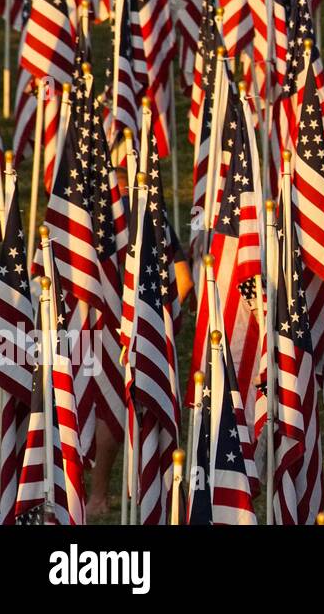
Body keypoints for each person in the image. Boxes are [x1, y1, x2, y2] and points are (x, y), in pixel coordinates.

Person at [84, 166, 194, 519]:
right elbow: (184, 279)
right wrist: (166, 319)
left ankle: (96, 494)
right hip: (146, 329)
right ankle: (142, 494)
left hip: (99, 327)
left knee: (103, 407)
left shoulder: (92, 218)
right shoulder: (152, 215)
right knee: (147, 413)